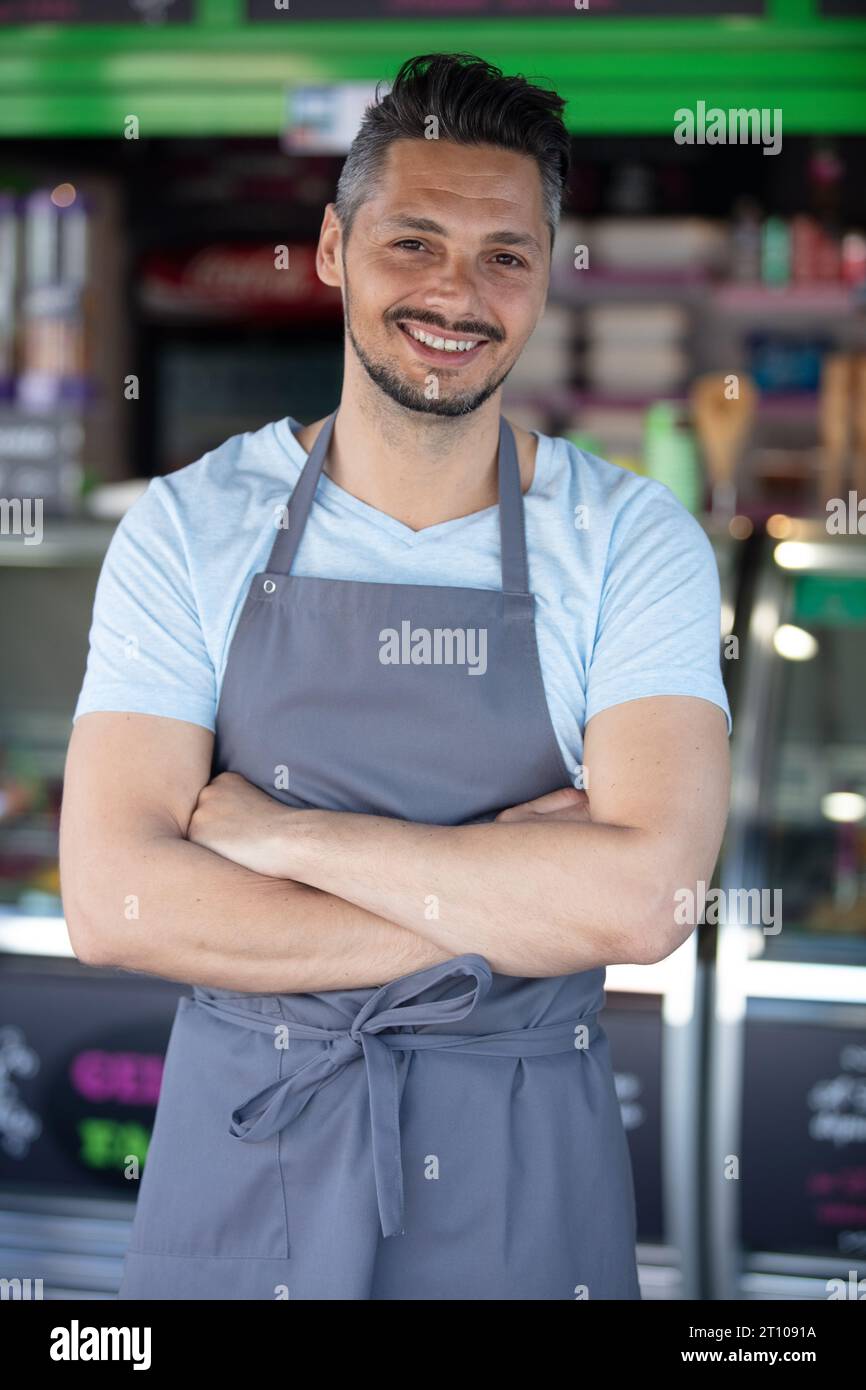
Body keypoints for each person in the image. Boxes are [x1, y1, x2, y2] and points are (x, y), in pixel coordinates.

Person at [60, 52, 731, 1301]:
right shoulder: (190, 526)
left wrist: (270, 837)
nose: (455, 293)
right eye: (412, 242)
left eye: (503, 255)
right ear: (332, 251)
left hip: (520, 1171)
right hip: (248, 1143)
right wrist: (507, 909)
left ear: (542, 277)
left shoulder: (631, 540)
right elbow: (114, 903)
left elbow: (645, 903)